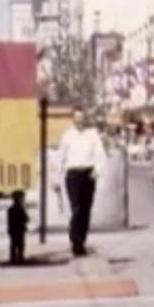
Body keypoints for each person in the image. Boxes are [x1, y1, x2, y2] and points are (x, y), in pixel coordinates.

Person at [56, 107, 107, 257]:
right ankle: (75, 240)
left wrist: (97, 171)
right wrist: (57, 178)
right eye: (76, 118)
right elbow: (60, 156)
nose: (79, 120)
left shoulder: (92, 135)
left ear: (85, 119)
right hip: (73, 175)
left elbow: (100, 154)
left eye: (81, 118)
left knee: (85, 210)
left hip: (88, 174)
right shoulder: (68, 135)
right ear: (73, 119)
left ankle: (81, 240)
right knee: (76, 209)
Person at [7, 189, 29, 264]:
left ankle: (13, 258)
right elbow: (26, 219)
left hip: (13, 230)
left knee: (13, 244)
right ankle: (20, 257)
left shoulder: (10, 209)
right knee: (20, 245)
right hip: (20, 229)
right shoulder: (21, 209)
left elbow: (9, 221)